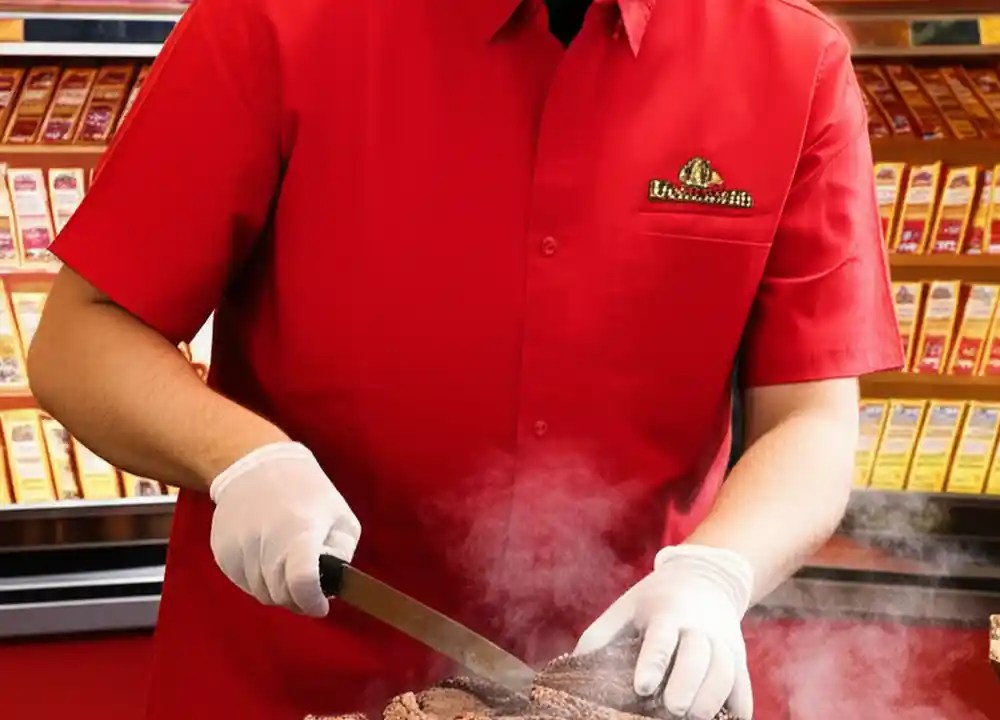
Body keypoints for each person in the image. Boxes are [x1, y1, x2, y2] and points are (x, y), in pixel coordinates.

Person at [29, 0, 902, 718]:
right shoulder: (272, 21)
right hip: (281, 678)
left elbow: (812, 421)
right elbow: (82, 336)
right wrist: (240, 460)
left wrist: (717, 572)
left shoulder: (793, 62)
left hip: (598, 688)